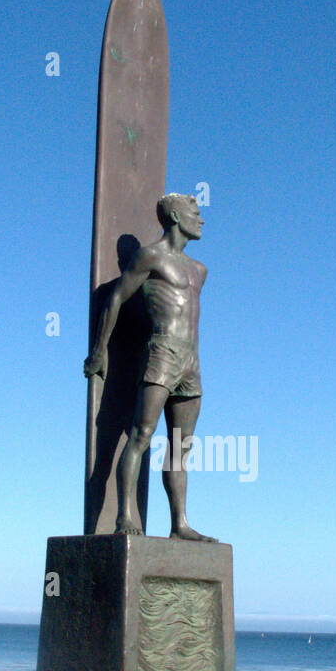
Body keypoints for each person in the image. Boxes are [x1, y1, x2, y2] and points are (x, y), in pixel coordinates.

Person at [84, 193, 216, 540]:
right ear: (175, 215)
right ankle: (125, 516)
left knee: (181, 447)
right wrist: (100, 351)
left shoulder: (200, 270)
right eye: (195, 212)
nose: (201, 219)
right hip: (162, 353)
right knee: (140, 435)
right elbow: (116, 299)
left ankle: (180, 524)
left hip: (191, 361)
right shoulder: (150, 257)